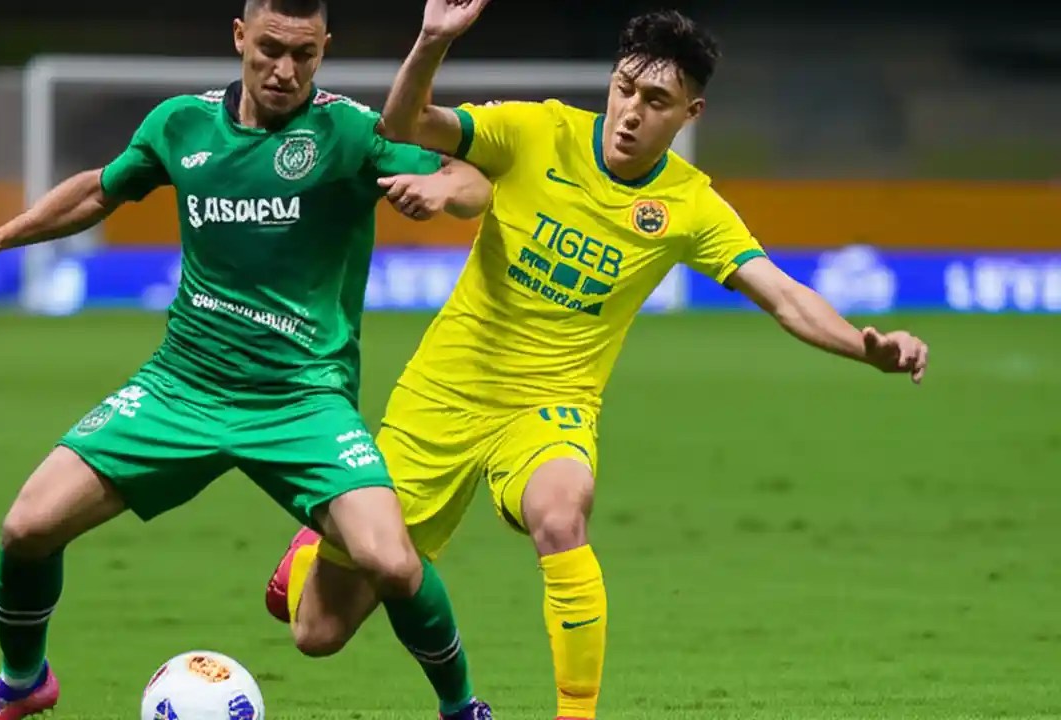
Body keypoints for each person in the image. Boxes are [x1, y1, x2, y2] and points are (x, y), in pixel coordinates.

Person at [264, 3, 931, 719]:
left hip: (551, 409)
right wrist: (432, 40)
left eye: (656, 102)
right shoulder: (535, 130)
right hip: (443, 398)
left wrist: (864, 347)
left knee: (562, 510)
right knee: (317, 633)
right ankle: (315, 547)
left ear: (690, 113)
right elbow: (407, 126)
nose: (631, 113)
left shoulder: (690, 205)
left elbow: (784, 295)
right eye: (624, 89)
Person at [0, 1, 496, 718]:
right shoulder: (182, 125)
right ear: (239, 37)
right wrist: (0, 235)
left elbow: (472, 178)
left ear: (325, 48)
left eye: (303, 53)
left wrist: (442, 189)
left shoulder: (351, 132)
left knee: (390, 561)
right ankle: (23, 682)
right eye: (269, 48)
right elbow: (103, 189)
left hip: (303, 401)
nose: (284, 69)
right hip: (182, 386)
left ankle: (462, 709)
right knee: (27, 527)